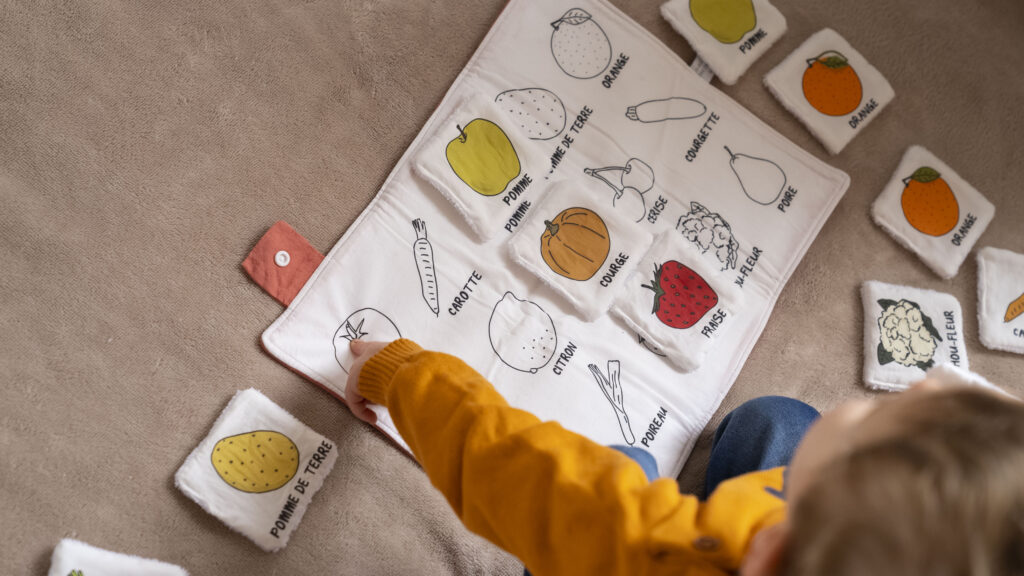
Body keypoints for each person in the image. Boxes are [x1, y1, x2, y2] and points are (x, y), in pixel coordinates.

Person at [343, 339, 1024, 576]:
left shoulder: (649, 552)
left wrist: (401, 372)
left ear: (769, 553)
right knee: (778, 423)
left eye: (879, 414)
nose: (921, 383)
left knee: (624, 466)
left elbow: (514, 467)